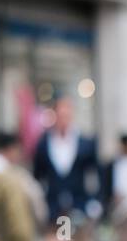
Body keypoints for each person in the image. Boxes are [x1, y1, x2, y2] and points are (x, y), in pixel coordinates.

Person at [33, 96, 105, 224]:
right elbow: (38, 177)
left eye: (67, 114)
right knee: (59, 240)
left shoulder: (85, 143)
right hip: (53, 208)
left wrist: (95, 201)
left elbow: (96, 175)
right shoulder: (43, 144)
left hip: (80, 206)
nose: (64, 119)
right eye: (61, 115)